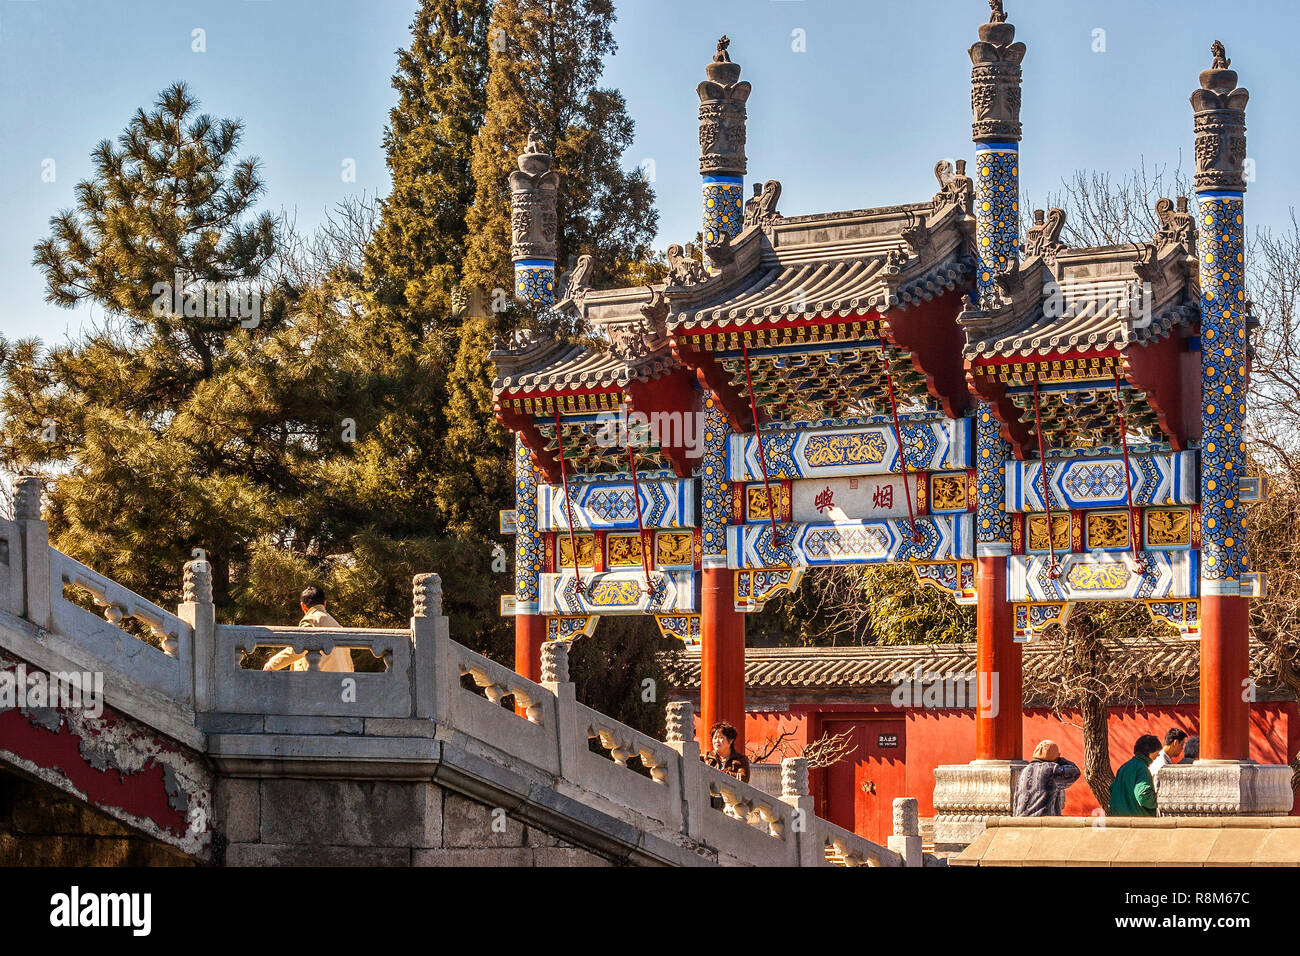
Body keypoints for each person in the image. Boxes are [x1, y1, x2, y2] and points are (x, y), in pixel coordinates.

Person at [262, 585, 354, 673]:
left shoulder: (311, 620)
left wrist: (272, 664)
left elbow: (299, 647)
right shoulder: (338, 626)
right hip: (341, 683)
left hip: (317, 683)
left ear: (302, 606)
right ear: (325, 603)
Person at [1013, 739, 1081, 816]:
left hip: (1021, 821)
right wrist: (1060, 760)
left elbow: (1016, 799)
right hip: (1041, 822)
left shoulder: (1024, 770)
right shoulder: (1050, 769)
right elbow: (1075, 772)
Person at [1108, 734, 1162, 817]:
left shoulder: (1124, 767)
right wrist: (1162, 801)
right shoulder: (1142, 768)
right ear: (1151, 753)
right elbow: (1143, 797)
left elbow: (1112, 789)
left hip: (1118, 820)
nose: (1157, 757)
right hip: (1137, 822)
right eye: (1157, 753)